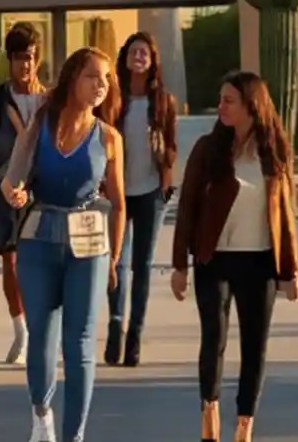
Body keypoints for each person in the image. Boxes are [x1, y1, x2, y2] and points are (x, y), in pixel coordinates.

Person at [0, 47, 126, 442]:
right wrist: (13, 194)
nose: (101, 85)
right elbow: (11, 180)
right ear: (73, 79)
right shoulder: (41, 124)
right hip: (40, 235)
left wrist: (115, 258)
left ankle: (75, 435)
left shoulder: (109, 138)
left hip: (90, 240)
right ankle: (42, 414)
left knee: (81, 341)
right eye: (93, 76)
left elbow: (119, 203)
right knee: (41, 336)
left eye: (106, 78)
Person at [170, 71, 298, 442]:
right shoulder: (207, 149)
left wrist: (290, 270)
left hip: (259, 261)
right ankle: (209, 411)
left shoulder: (274, 149)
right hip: (214, 260)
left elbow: (285, 213)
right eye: (221, 99)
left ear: (251, 105)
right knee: (213, 336)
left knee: (254, 344)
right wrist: (180, 265)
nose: (222, 106)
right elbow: (188, 210)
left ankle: (245, 423)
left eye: (230, 100)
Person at [0, 21, 47, 364]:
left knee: (41, 263)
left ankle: (41, 328)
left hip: (43, 191)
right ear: (9, 60)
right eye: (18, 58)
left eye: (30, 57)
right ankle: (22, 332)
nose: (25, 65)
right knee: (12, 260)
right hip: (4, 187)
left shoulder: (49, 100)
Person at [105, 32, 178, 367]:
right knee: (116, 262)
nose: (138, 57)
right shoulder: (113, 99)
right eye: (134, 51)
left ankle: (135, 334)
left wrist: (165, 161)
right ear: (125, 58)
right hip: (116, 193)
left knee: (143, 266)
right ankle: (116, 326)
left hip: (150, 193)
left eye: (144, 53)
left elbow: (173, 148)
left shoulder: (163, 101)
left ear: (152, 61)